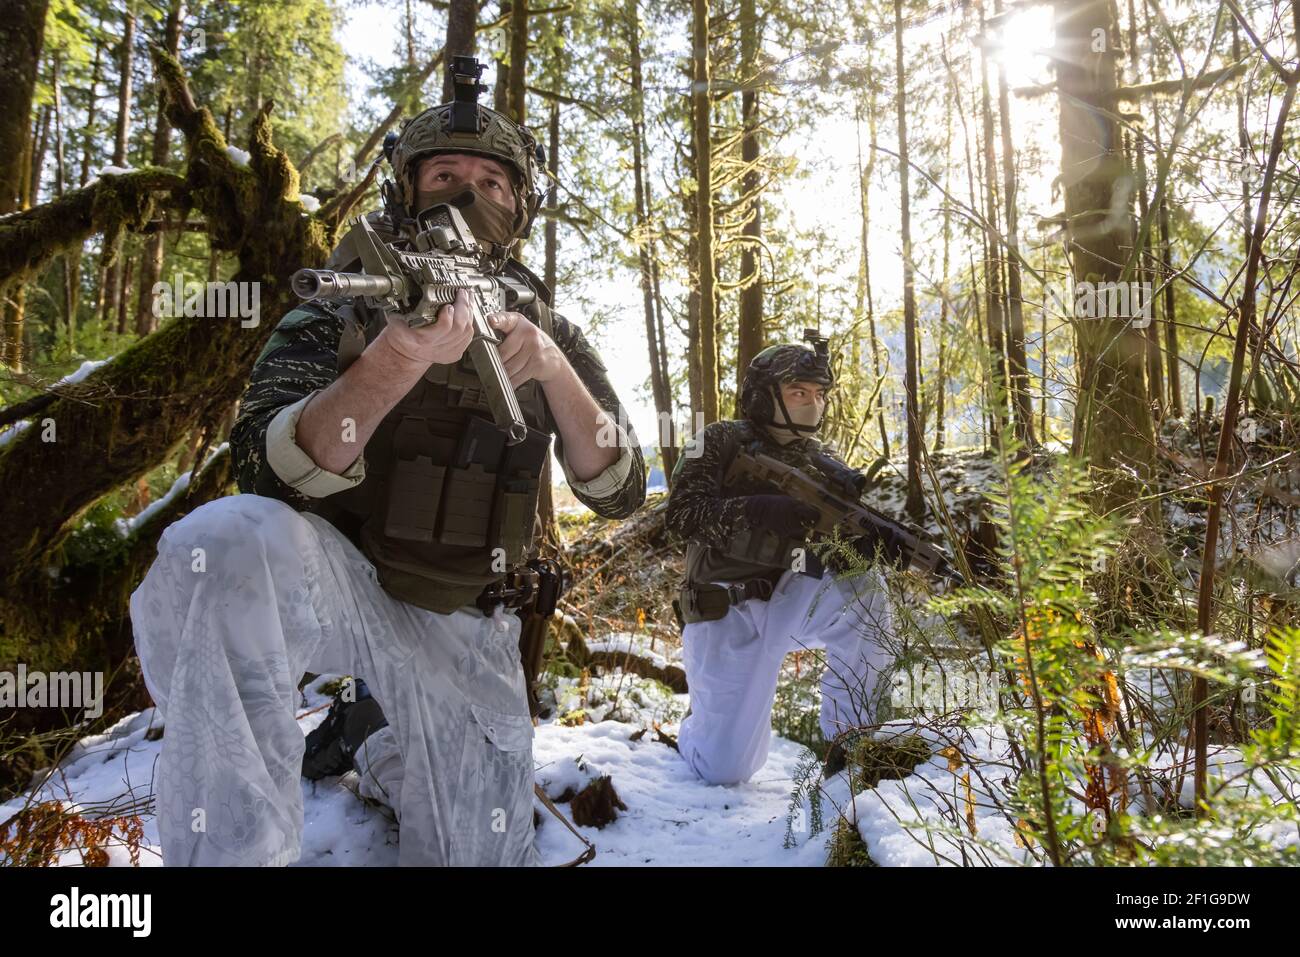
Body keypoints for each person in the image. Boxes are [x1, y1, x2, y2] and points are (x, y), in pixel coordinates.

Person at [129, 74, 645, 866]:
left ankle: (369, 737)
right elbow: (262, 475)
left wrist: (551, 369)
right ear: (408, 192)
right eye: (444, 177)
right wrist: (395, 358)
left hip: (473, 623)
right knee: (224, 544)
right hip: (349, 594)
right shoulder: (344, 306)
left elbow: (620, 487)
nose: (467, 195)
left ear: (519, 207)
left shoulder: (552, 331)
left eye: (490, 182)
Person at [664, 341, 894, 785]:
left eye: (820, 394)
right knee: (726, 770)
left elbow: (835, 540)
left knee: (865, 587)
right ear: (764, 395)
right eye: (799, 392)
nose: (814, 403)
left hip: (787, 601)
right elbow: (680, 518)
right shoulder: (716, 439)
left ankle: (850, 744)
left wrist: (865, 547)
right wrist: (759, 509)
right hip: (722, 611)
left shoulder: (821, 459)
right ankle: (696, 731)